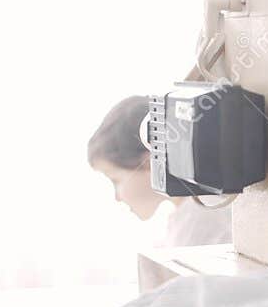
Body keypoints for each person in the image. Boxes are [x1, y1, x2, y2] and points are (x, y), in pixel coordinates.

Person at [86, 95, 233, 247]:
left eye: (115, 180)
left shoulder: (201, 221)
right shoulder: (190, 214)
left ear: (150, 161)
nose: (117, 197)